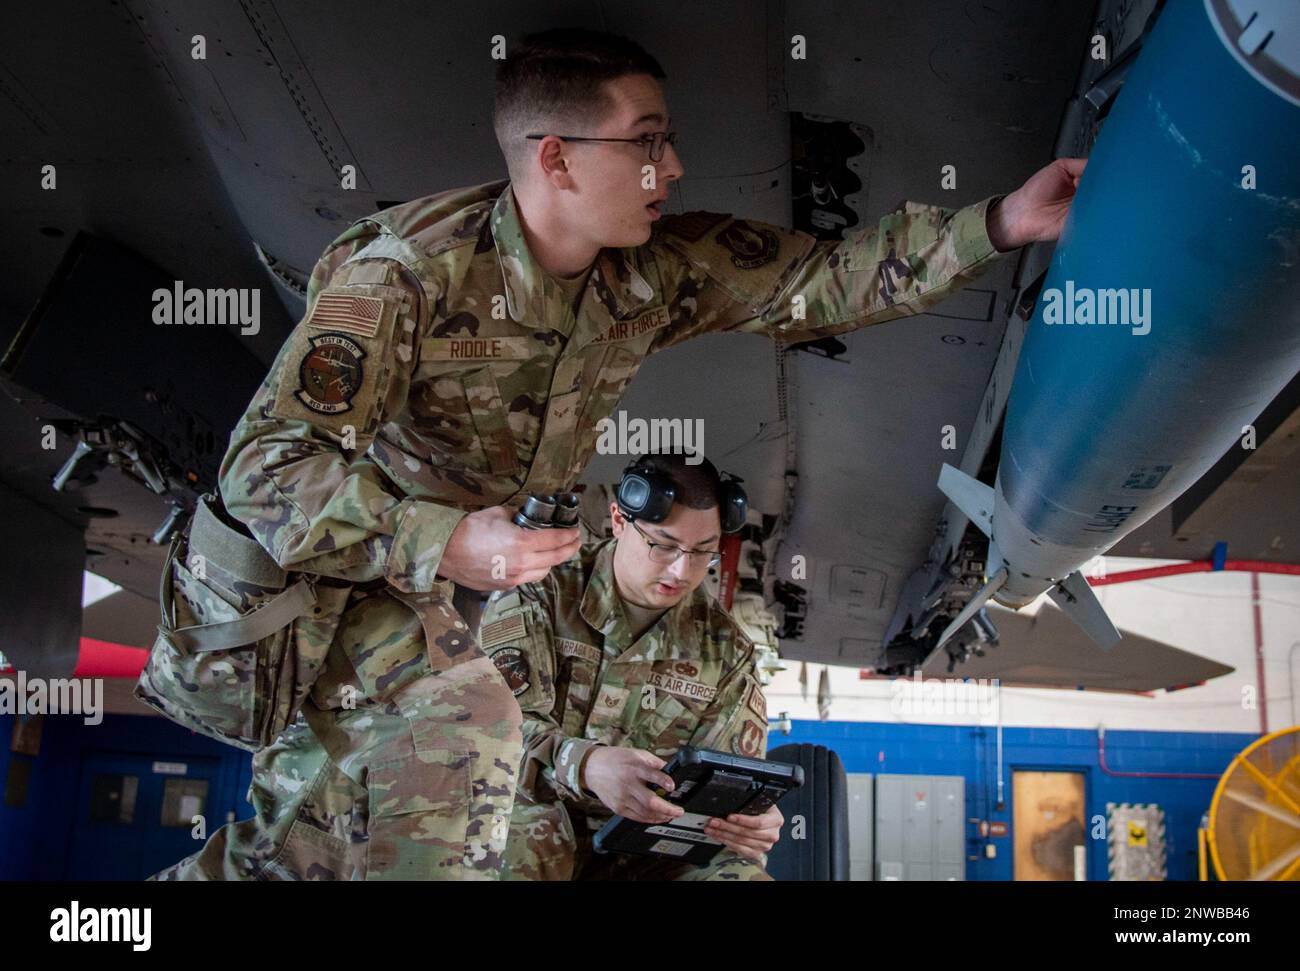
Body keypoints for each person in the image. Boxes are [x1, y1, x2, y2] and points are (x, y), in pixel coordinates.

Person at [155, 26, 1082, 880]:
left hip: (462, 602)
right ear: (556, 157)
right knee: (360, 811)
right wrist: (440, 539)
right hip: (351, 582)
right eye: (646, 142)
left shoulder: (647, 273)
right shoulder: (406, 273)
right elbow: (265, 466)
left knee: (373, 838)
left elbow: (815, 282)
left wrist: (999, 223)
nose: (671, 166)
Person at [486, 453, 779, 880]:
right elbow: (491, 734)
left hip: (645, 846)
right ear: (620, 520)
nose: (682, 570)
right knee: (529, 836)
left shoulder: (725, 650)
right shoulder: (543, 590)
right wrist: (585, 765)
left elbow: (727, 777)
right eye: (663, 545)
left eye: (702, 553)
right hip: (534, 820)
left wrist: (750, 818)